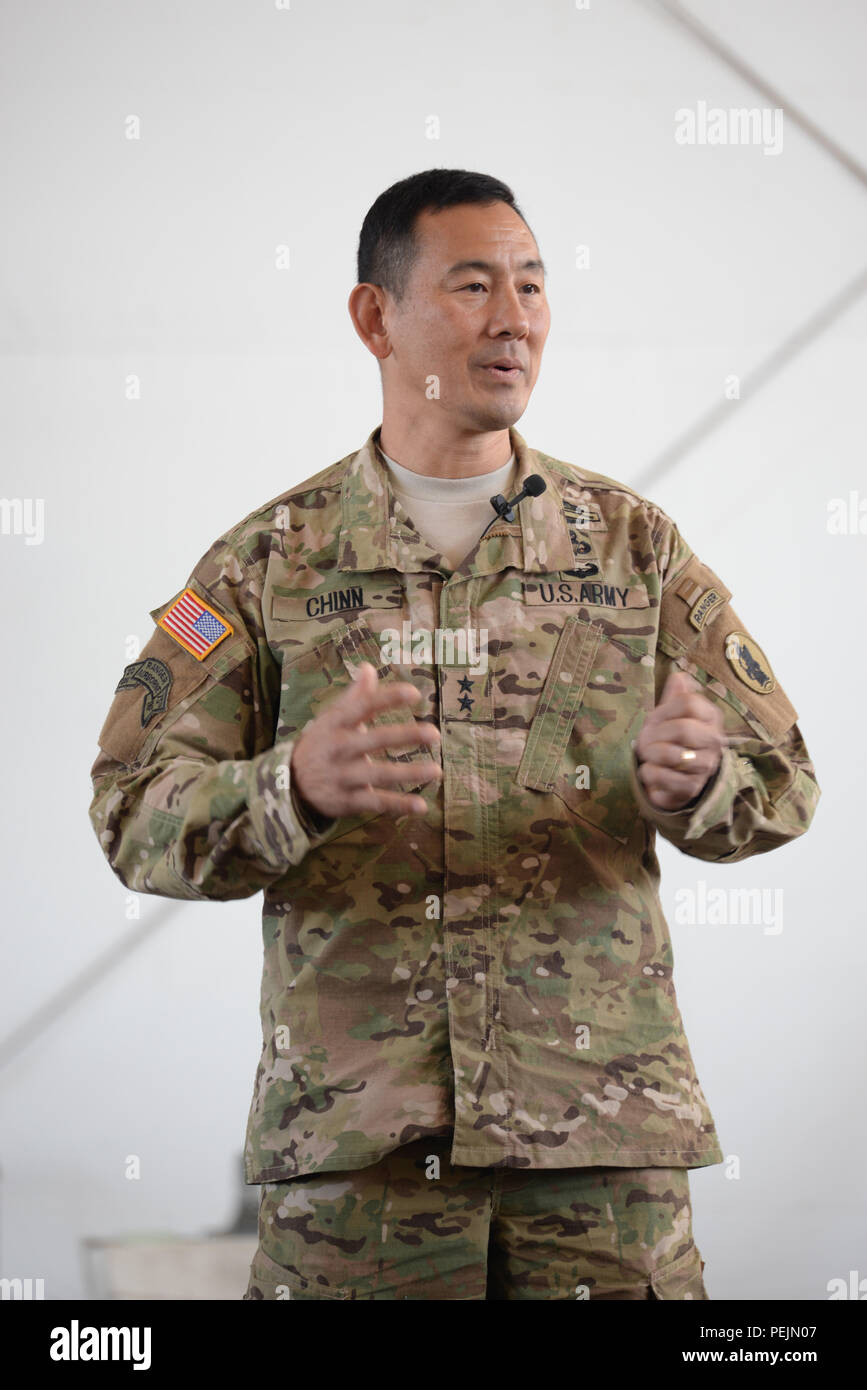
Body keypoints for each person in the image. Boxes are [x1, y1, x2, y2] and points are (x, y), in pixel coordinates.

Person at [88, 169, 820, 1300]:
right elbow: (131, 806)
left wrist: (704, 784)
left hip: (600, 1154)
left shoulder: (636, 548)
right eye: (474, 285)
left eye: (532, 284)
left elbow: (784, 778)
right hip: (360, 1170)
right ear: (374, 317)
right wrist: (291, 788)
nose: (514, 317)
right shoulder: (264, 564)